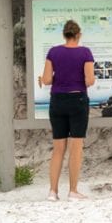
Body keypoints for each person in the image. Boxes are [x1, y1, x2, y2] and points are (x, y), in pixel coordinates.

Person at [38, 20, 95, 200]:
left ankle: (53, 192)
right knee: (76, 147)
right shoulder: (85, 53)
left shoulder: (53, 52)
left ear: (64, 34)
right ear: (78, 35)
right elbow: (90, 80)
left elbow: (47, 80)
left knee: (58, 148)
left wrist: (55, 78)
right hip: (77, 100)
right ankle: (73, 191)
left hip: (58, 101)